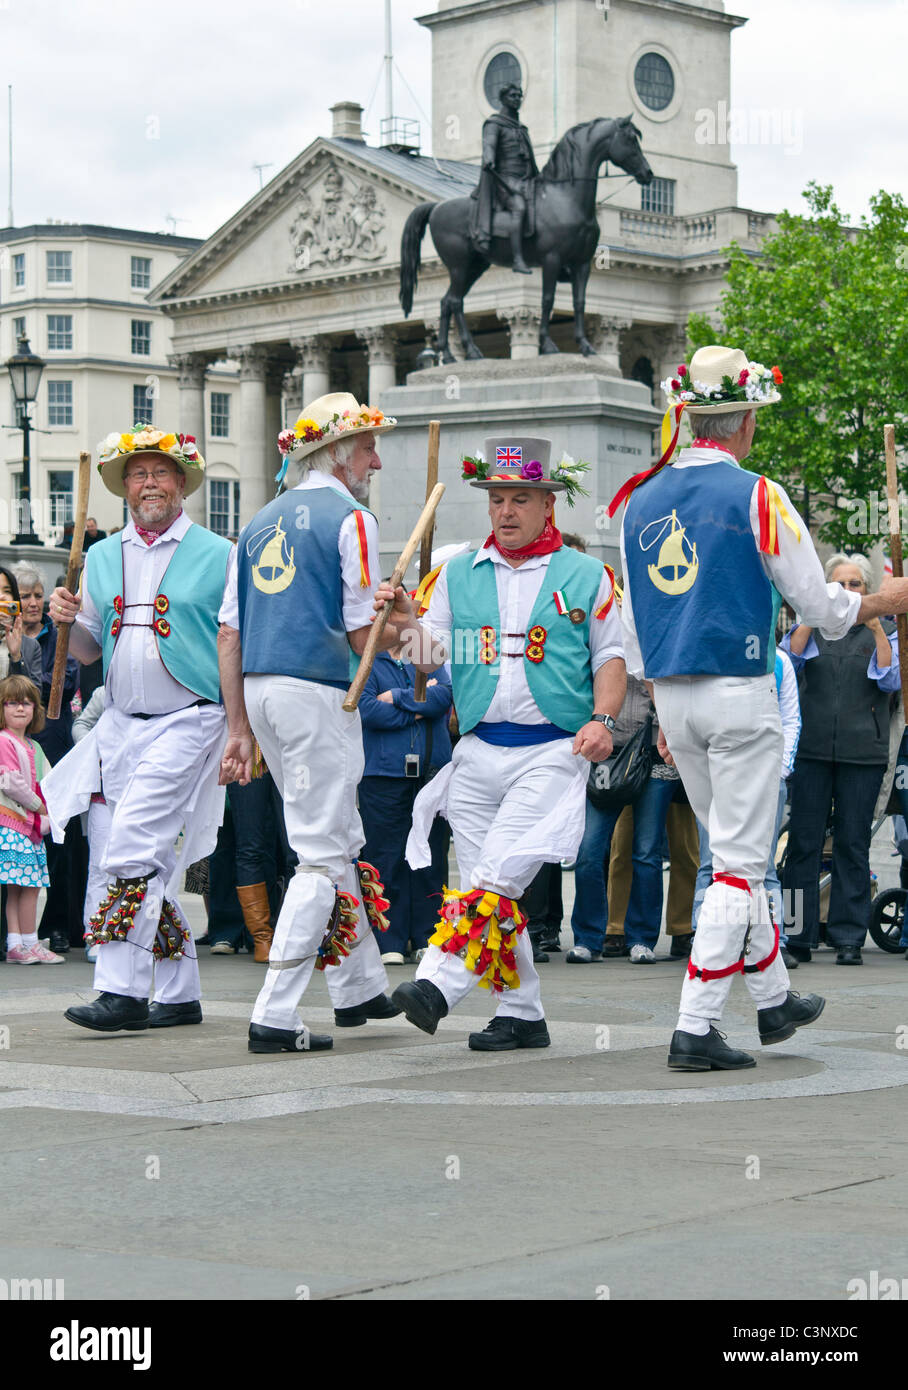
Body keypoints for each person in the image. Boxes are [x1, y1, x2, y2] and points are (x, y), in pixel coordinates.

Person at [613, 344, 908, 1070]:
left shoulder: (633, 500)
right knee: (742, 868)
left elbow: (632, 627)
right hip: (740, 690)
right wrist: (882, 601)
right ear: (743, 422)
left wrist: (657, 699)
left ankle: (774, 999)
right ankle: (696, 1024)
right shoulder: (758, 494)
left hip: (673, 700)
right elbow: (818, 604)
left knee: (734, 851)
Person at [381, 434, 626, 1050]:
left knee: (497, 876)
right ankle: (522, 1012)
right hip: (476, 750)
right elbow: (429, 656)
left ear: (550, 504)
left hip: (552, 749)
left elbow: (612, 656)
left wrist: (603, 719)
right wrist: (401, 623)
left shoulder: (587, 573)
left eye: (521, 499)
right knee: (494, 887)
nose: (507, 512)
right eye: (498, 500)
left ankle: (437, 984)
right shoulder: (460, 571)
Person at [218, 392, 404, 1054]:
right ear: (339, 455)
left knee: (337, 836)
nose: (376, 460)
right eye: (367, 448)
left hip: (263, 689)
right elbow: (361, 636)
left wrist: (238, 726)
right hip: (316, 690)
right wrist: (406, 622)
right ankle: (275, 1012)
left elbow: (230, 632)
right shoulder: (353, 519)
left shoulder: (258, 520)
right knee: (322, 854)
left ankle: (358, 988)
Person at [44, 422, 232, 1033]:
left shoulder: (219, 553)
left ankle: (120, 990)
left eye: (160, 472)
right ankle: (179, 995)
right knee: (149, 860)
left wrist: (242, 729)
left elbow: (235, 641)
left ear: (182, 482)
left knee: (130, 847)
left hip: (189, 719)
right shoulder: (101, 555)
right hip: (120, 725)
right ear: (124, 487)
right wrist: (66, 621)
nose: (149, 484)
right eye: (138, 474)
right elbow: (92, 650)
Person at [781, 553, 896, 965]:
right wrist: (814, 614)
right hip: (810, 753)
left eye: (856, 585)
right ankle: (796, 936)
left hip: (862, 755)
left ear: (867, 590)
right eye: (840, 585)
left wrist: (876, 626)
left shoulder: (882, 630)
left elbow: (891, 678)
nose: (848, 592)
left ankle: (849, 937)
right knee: (802, 846)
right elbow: (785, 664)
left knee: (853, 845)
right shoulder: (810, 630)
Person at [358, 645, 453, 964]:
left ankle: (430, 934)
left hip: (431, 771)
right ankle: (389, 939)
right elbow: (368, 709)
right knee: (386, 855)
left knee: (431, 854)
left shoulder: (427, 655)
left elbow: (444, 698)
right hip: (382, 772)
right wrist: (419, 705)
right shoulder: (368, 659)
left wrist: (396, 698)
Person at [0, 676, 61, 963]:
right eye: (12, 703)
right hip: (14, 825)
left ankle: (17, 945)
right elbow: (10, 782)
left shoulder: (34, 746)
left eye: (26, 703)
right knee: (27, 886)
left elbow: (50, 780)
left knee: (19, 888)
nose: (20, 709)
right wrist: (41, 807)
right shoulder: (4, 740)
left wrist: (50, 806)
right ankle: (28, 942)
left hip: (28, 827)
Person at [472, 83, 539, 273]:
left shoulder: (521, 128)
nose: (517, 99)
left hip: (527, 180)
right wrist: (489, 158)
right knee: (519, 207)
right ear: (502, 99)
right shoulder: (494, 124)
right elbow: (490, 145)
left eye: (519, 96)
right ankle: (518, 259)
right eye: (512, 95)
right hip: (505, 181)